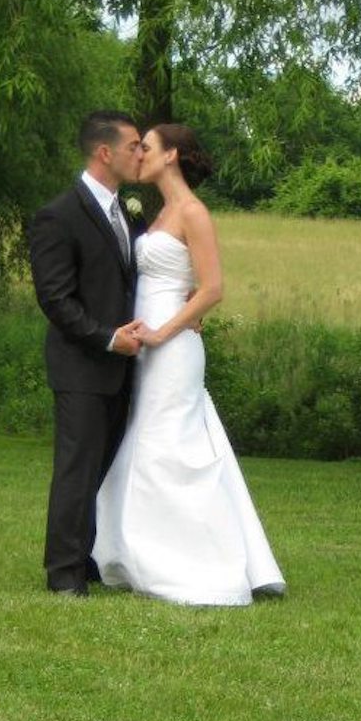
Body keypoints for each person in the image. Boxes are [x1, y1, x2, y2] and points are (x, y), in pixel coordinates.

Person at [92, 123, 286, 605]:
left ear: (172, 155)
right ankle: (135, 551)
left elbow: (213, 288)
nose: (140, 156)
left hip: (172, 347)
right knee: (145, 441)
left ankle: (192, 561)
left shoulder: (193, 213)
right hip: (146, 343)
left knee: (170, 446)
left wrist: (166, 329)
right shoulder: (158, 215)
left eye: (149, 148)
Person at [27, 111, 146, 595]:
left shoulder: (127, 211)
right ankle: (64, 574)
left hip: (121, 368)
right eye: (135, 146)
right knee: (77, 470)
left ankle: (90, 557)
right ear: (105, 152)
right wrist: (107, 337)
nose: (141, 154)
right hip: (81, 366)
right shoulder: (59, 215)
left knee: (103, 469)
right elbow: (56, 299)